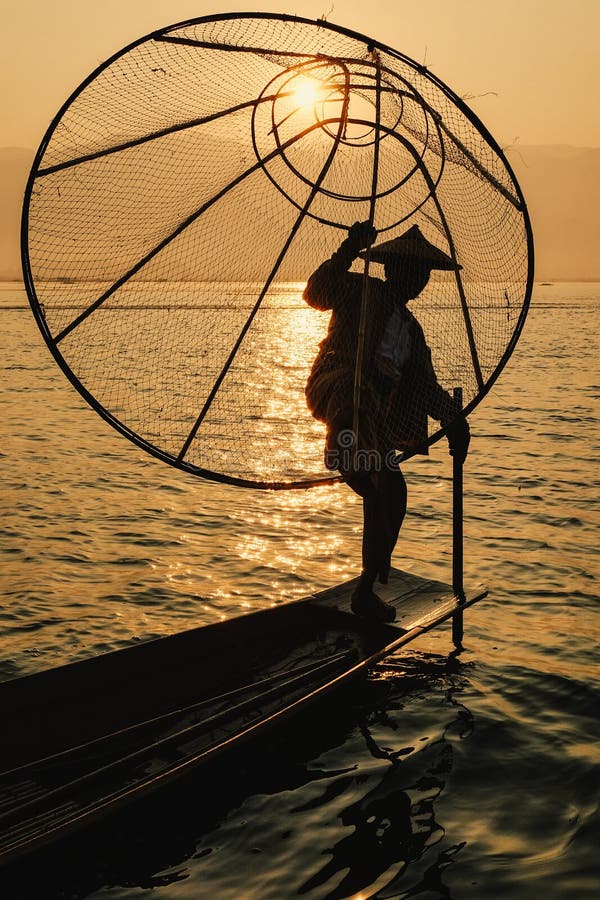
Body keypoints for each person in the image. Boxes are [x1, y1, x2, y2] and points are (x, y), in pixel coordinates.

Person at [303, 221, 470, 622]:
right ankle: (347, 454)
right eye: (411, 271)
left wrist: (456, 422)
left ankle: (366, 588)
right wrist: (351, 247)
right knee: (358, 409)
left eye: (423, 274)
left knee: (391, 493)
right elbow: (315, 292)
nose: (418, 281)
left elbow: (426, 388)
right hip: (339, 387)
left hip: (374, 418)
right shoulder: (360, 289)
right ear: (392, 269)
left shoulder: (412, 332)